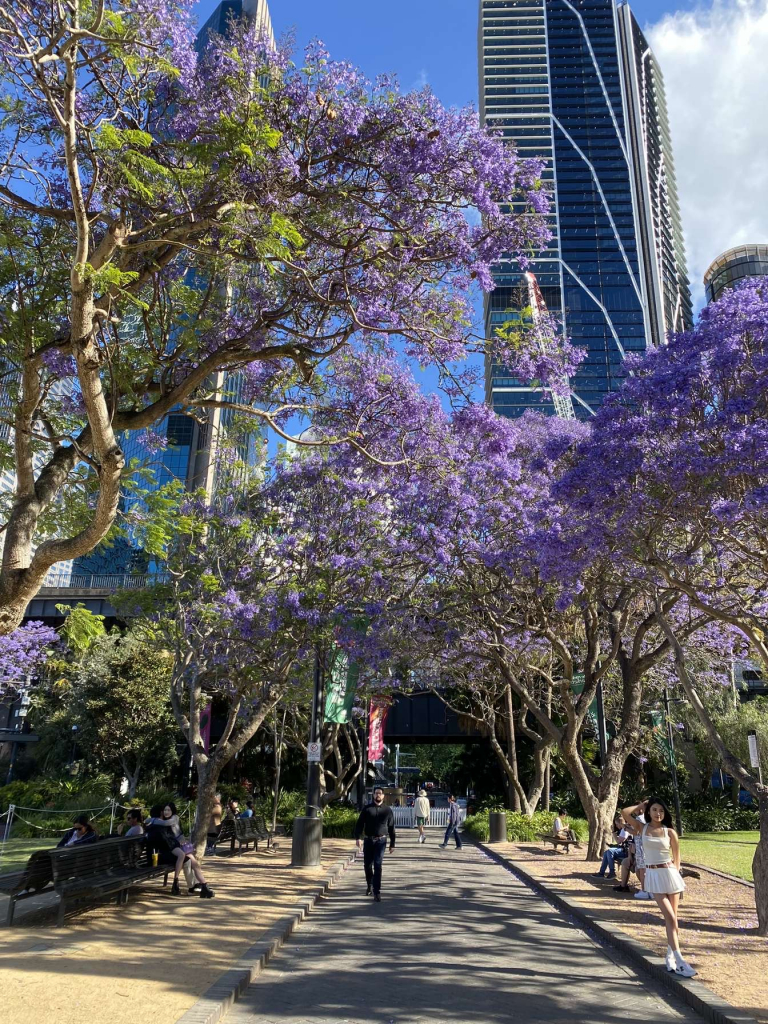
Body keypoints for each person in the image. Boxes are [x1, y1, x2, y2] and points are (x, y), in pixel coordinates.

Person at [622, 797, 695, 977]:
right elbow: (625, 812)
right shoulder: (642, 828)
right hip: (653, 876)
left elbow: (677, 857)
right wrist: (641, 805)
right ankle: (680, 961)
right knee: (669, 917)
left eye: (661, 810)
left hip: (670, 874)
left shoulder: (670, 832)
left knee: (673, 919)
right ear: (649, 811)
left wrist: (676, 873)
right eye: (654, 810)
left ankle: (671, 957)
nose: (658, 813)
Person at [145, 803, 215, 899]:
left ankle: (201, 885)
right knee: (189, 861)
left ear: (172, 811)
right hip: (172, 849)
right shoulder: (161, 824)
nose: (166, 812)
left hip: (178, 846)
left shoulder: (173, 818)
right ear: (161, 812)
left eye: (168, 810)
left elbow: (166, 825)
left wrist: (150, 820)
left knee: (193, 863)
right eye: (165, 810)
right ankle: (198, 886)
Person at [354, 786, 395, 902]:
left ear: (383, 796)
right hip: (368, 840)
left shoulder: (387, 810)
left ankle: (377, 892)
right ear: (373, 795)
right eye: (376, 793)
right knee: (367, 865)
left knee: (377, 865)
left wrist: (392, 844)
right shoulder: (367, 809)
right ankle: (369, 885)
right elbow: (359, 824)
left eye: (380, 793)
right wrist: (358, 838)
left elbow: (391, 828)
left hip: (381, 841)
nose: (378, 795)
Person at [595, 814, 629, 879]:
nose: (616, 826)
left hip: (626, 852)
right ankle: (601, 873)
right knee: (606, 852)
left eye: (617, 824)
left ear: (620, 823)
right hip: (623, 849)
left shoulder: (625, 830)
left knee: (610, 851)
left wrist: (613, 832)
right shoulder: (623, 830)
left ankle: (612, 872)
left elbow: (618, 841)